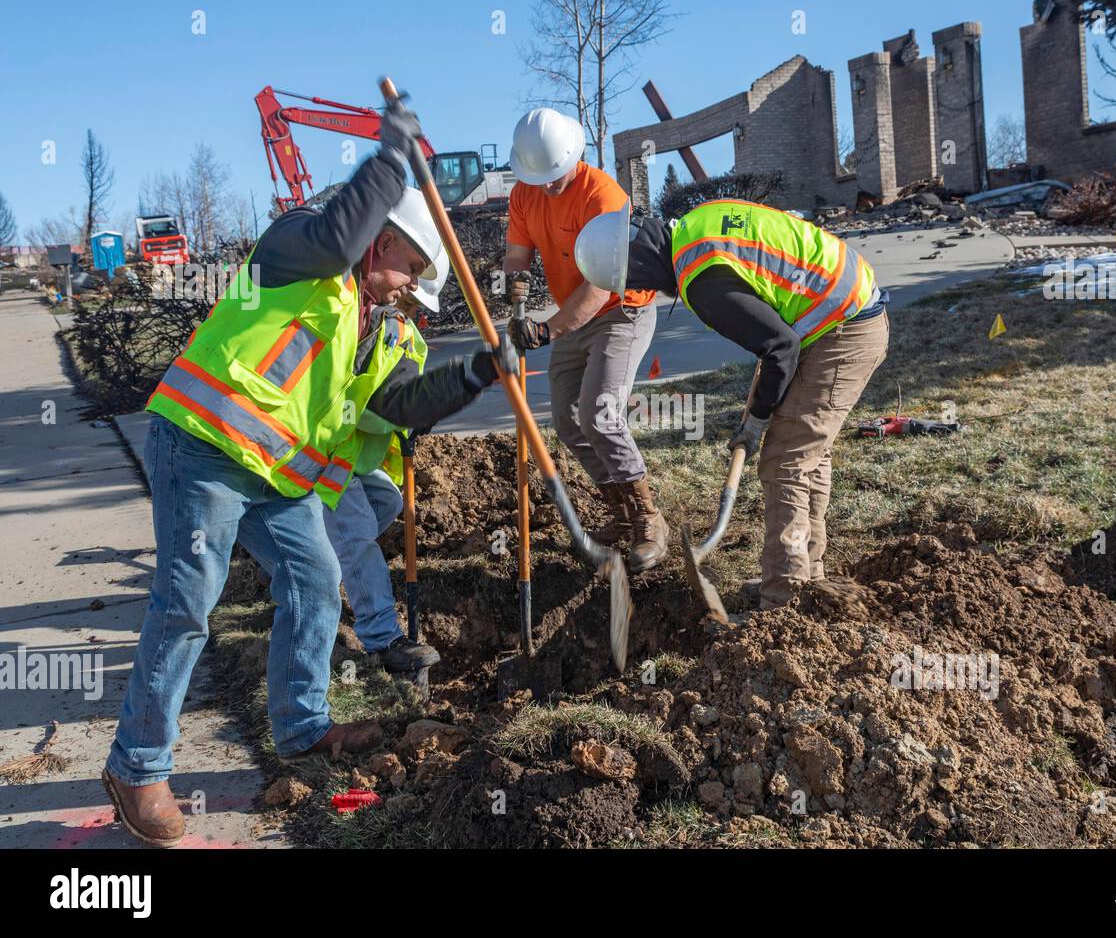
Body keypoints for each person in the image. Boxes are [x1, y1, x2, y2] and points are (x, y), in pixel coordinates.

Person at [103, 102, 517, 848]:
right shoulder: (297, 251)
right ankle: (137, 767)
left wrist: (483, 370)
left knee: (316, 584)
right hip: (203, 447)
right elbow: (334, 235)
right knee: (189, 602)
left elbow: (398, 405)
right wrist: (391, 158)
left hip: (277, 478)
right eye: (412, 269)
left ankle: (302, 729)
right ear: (381, 239)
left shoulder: (369, 319)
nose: (409, 288)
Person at [574, 198, 890, 610]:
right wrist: (764, 400)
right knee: (807, 453)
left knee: (786, 460)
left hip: (843, 327)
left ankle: (783, 598)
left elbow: (780, 348)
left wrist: (757, 421)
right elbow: (773, 326)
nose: (644, 291)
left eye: (634, 282)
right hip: (834, 311)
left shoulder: (701, 281)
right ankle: (806, 576)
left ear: (636, 268)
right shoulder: (693, 226)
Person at [503, 108, 667, 572]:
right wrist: (515, 296)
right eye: (540, 177)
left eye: (556, 176)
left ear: (574, 154)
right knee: (567, 418)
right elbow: (517, 255)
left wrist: (546, 329)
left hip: (621, 309)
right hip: (573, 317)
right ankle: (620, 512)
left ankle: (648, 518)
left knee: (600, 412)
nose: (549, 185)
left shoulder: (602, 195)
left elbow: (601, 284)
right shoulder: (524, 194)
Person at [320, 244, 449, 674]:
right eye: (407, 300)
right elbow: (358, 401)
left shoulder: (407, 335)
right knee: (356, 535)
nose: (405, 308)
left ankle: (326, 566)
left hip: (354, 454)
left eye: (414, 305)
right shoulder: (366, 323)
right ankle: (381, 639)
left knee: (388, 504)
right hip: (326, 451)